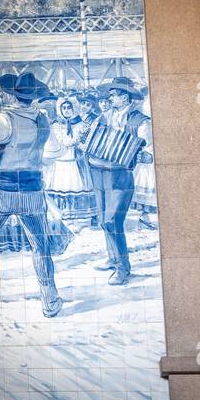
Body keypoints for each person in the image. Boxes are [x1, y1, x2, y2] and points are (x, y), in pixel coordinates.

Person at [0, 72, 63, 317]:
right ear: (34, 98)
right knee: (40, 245)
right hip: (32, 191)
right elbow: (55, 151)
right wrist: (34, 160)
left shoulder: (3, 119)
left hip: (3, 190)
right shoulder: (43, 120)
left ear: (12, 94)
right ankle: (50, 299)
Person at [81, 77, 153, 285]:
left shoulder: (141, 121)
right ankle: (113, 258)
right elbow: (89, 139)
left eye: (113, 94)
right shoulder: (103, 117)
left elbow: (149, 150)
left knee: (113, 220)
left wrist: (141, 154)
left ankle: (123, 269)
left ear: (125, 97)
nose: (110, 98)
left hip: (120, 175)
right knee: (104, 220)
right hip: (98, 171)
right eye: (110, 94)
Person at [43, 96, 96, 223]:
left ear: (74, 109)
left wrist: (75, 142)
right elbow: (54, 141)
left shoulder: (82, 125)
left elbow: (82, 142)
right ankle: (62, 215)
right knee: (59, 184)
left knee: (75, 184)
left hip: (74, 160)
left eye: (69, 108)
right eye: (64, 108)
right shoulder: (55, 125)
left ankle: (77, 217)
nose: (66, 110)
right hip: (59, 161)